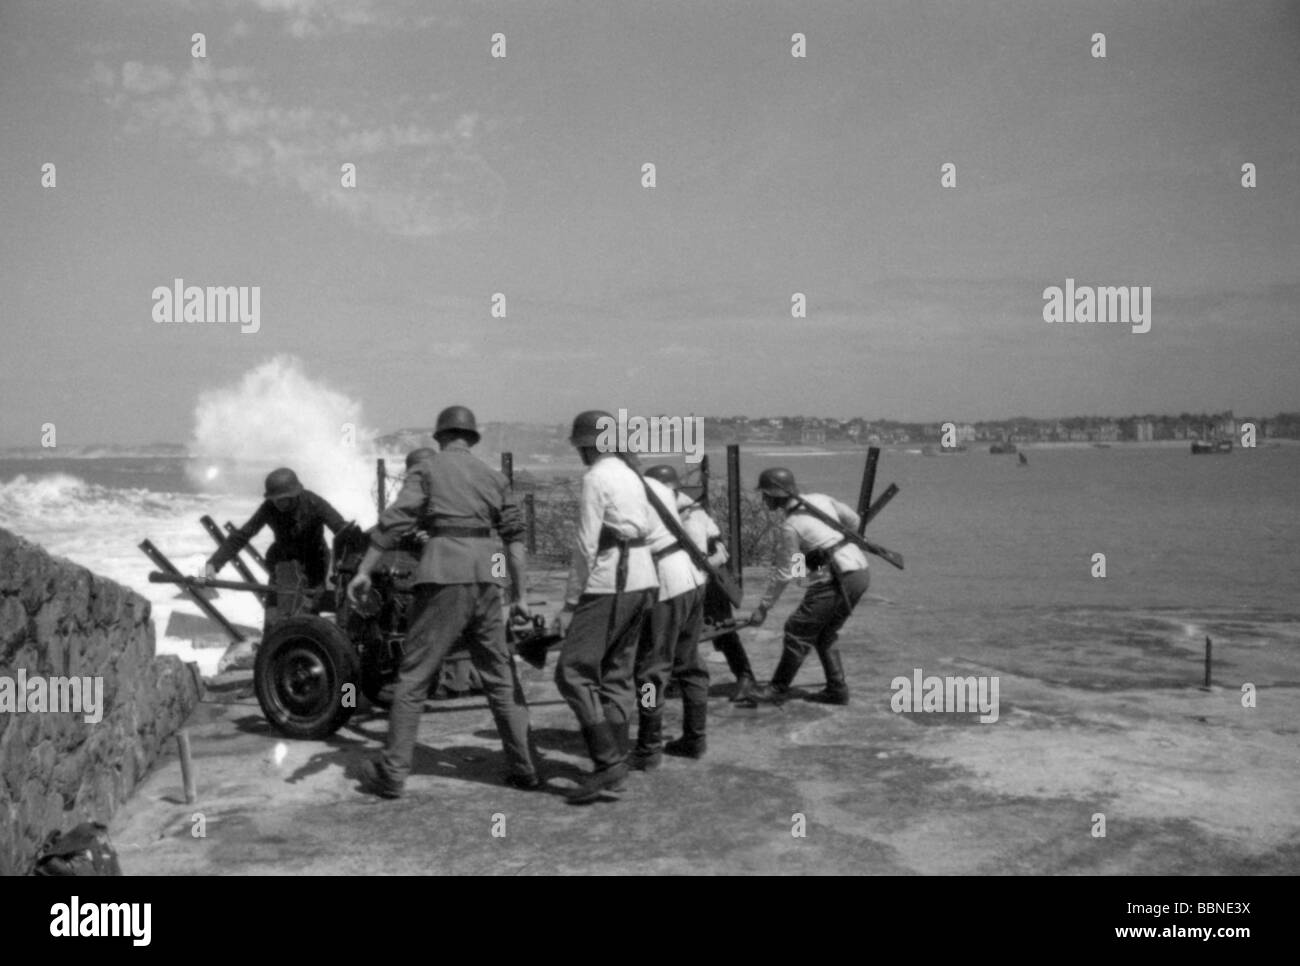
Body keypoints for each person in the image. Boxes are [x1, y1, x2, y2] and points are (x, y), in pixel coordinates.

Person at [348, 405, 538, 798]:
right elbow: (515, 541)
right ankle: (525, 768)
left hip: (442, 575)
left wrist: (364, 570)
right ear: (472, 438)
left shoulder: (427, 469)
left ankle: (392, 773)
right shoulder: (494, 477)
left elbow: (395, 520)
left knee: (414, 678)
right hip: (489, 576)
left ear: (439, 437)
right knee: (500, 677)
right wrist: (520, 597)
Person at [554, 410, 658, 803]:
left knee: (572, 673)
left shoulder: (596, 477)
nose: (579, 453)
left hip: (610, 582)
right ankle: (618, 760)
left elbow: (585, 545)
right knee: (617, 673)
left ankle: (607, 762)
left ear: (588, 445)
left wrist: (570, 603)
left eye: (580, 446)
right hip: (642, 579)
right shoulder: (631, 473)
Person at [749, 468, 869, 705]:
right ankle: (837, 690)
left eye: (765, 495)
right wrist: (831, 545)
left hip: (839, 576)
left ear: (775, 495)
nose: (764, 500)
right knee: (824, 633)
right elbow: (854, 520)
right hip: (859, 571)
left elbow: (785, 573)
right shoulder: (821, 499)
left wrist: (763, 608)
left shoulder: (790, 526)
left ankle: (777, 689)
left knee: (797, 629)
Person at [200, 468, 349, 626]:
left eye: (284, 499)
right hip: (283, 561)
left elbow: (342, 530)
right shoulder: (269, 507)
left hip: (314, 562)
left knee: (308, 614)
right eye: (275, 499)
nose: (279, 504)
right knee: (274, 616)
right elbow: (242, 535)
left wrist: (351, 564)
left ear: (295, 495)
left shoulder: (314, 503)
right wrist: (213, 564)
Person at [631, 465, 708, 767]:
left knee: (650, 673)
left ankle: (649, 746)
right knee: (690, 664)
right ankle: (696, 738)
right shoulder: (671, 496)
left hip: (666, 582)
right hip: (691, 578)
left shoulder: (637, 492)